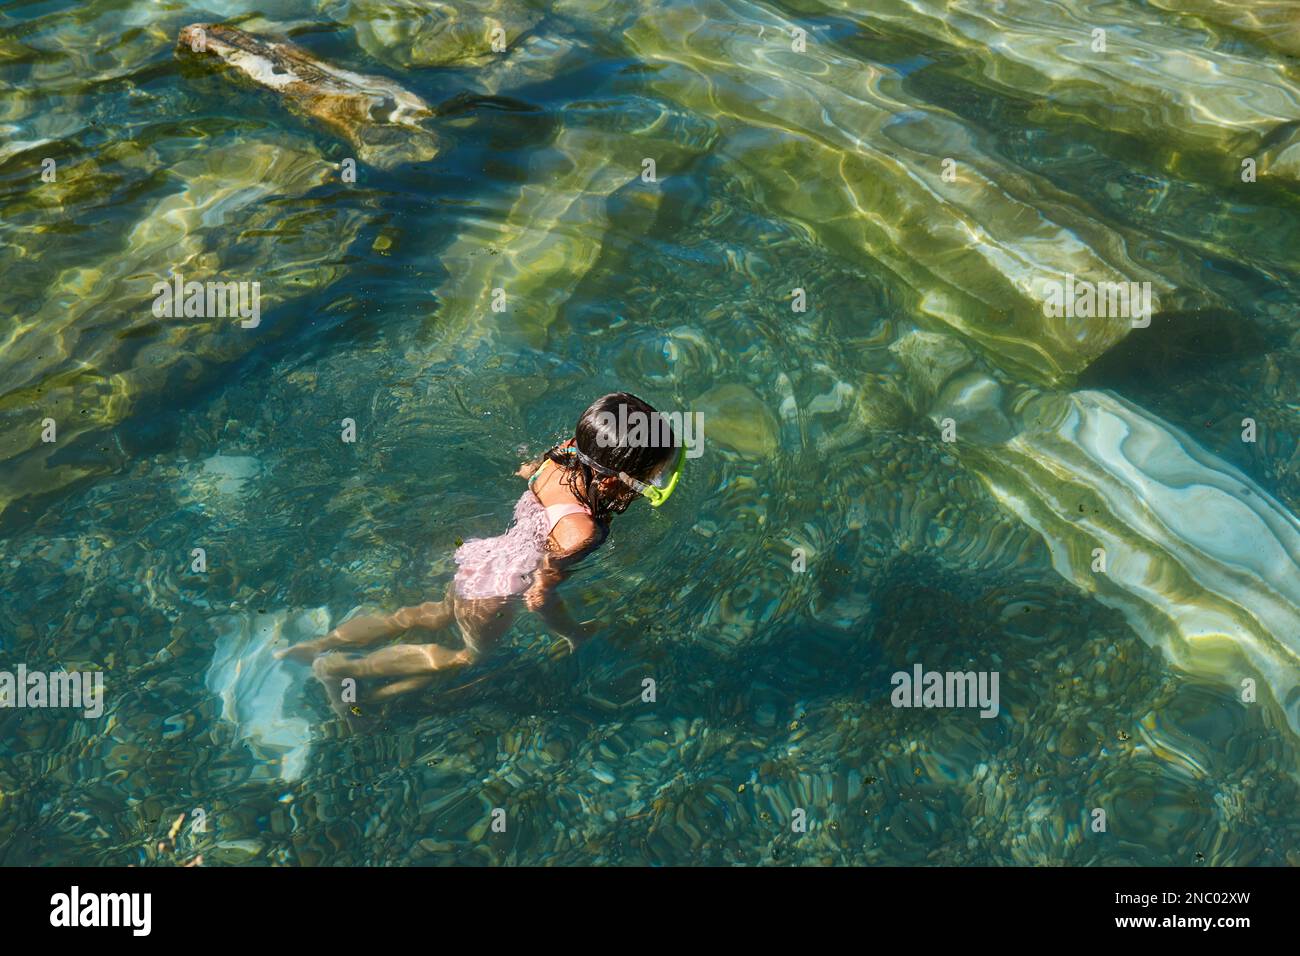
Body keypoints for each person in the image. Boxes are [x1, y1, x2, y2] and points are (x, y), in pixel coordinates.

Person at [276, 392, 684, 711]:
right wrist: (573, 632)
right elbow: (539, 594)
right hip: (496, 595)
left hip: (479, 560)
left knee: (428, 613)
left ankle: (316, 644)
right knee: (467, 658)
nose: (656, 480)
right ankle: (343, 668)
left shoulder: (557, 462)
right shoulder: (582, 532)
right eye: (652, 475)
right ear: (615, 483)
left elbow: (525, 471)